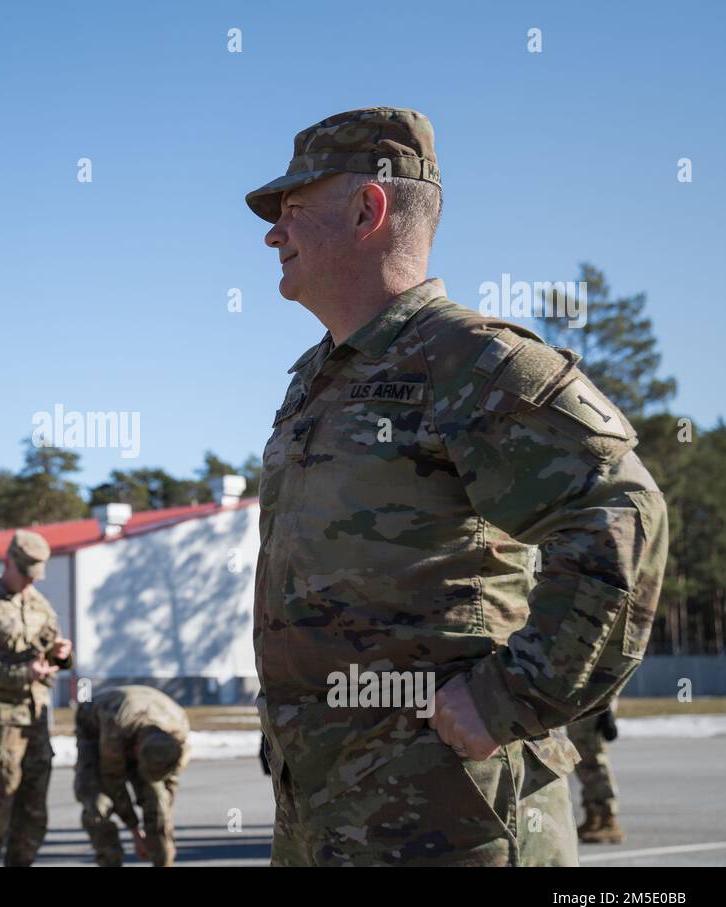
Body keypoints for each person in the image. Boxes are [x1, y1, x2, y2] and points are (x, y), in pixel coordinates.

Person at [246, 107, 667, 866]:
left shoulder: (473, 362)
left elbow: (620, 510)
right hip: (322, 813)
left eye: (293, 211)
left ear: (368, 209)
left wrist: (514, 700)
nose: (274, 234)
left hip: (448, 819)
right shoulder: (316, 379)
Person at [0, 529, 72, 865]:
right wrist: (23, 674)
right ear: (8, 562)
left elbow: (50, 656)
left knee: (33, 819)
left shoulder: (40, 605)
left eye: (34, 576)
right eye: (25, 574)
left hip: (35, 725)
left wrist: (62, 655)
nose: (29, 582)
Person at [74, 684, 188, 867]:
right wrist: (135, 831)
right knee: (97, 805)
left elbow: (170, 784)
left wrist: (162, 815)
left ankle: (163, 862)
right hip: (95, 730)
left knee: (159, 804)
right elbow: (113, 783)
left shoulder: (178, 733)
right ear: (135, 751)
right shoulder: (116, 729)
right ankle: (110, 860)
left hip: (141, 723)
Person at [567, 693, 623, 843]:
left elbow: (609, 673)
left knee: (595, 762)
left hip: (595, 705)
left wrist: (606, 710)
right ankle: (593, 817)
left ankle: (609, 821)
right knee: (583, 764)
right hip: (580, 706)